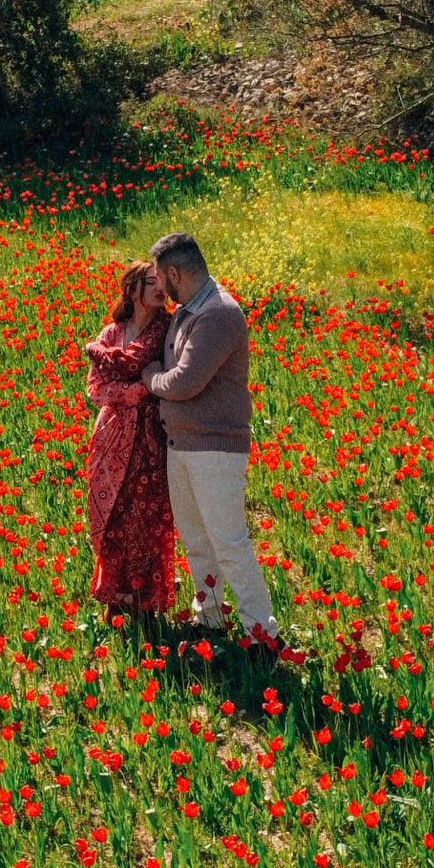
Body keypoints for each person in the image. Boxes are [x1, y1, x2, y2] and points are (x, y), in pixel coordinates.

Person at [142, 231, 283, 650]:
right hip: (183, 445)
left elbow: (185, 382)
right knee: (197, 541)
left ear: (174, 273)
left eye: (159, 278)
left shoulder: (218, 313)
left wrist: (150, 378)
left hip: (215, 448)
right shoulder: (188, 311)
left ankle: (263, 635)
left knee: (228, 543)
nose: (159, 287)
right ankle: (211, 617)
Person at [83, 262, 179, 613]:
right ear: (132, 290)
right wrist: (132, 392)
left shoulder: (168, 329)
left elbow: (166, 374)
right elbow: (95, 388)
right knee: (112, 515)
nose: (160, 289)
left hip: (152, 435)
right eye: (151, 282)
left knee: (147, 519)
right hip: (112, 435)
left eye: (162, 281)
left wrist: (137, 389)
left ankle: (145, 601)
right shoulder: (112, 333)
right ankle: (115, 595)